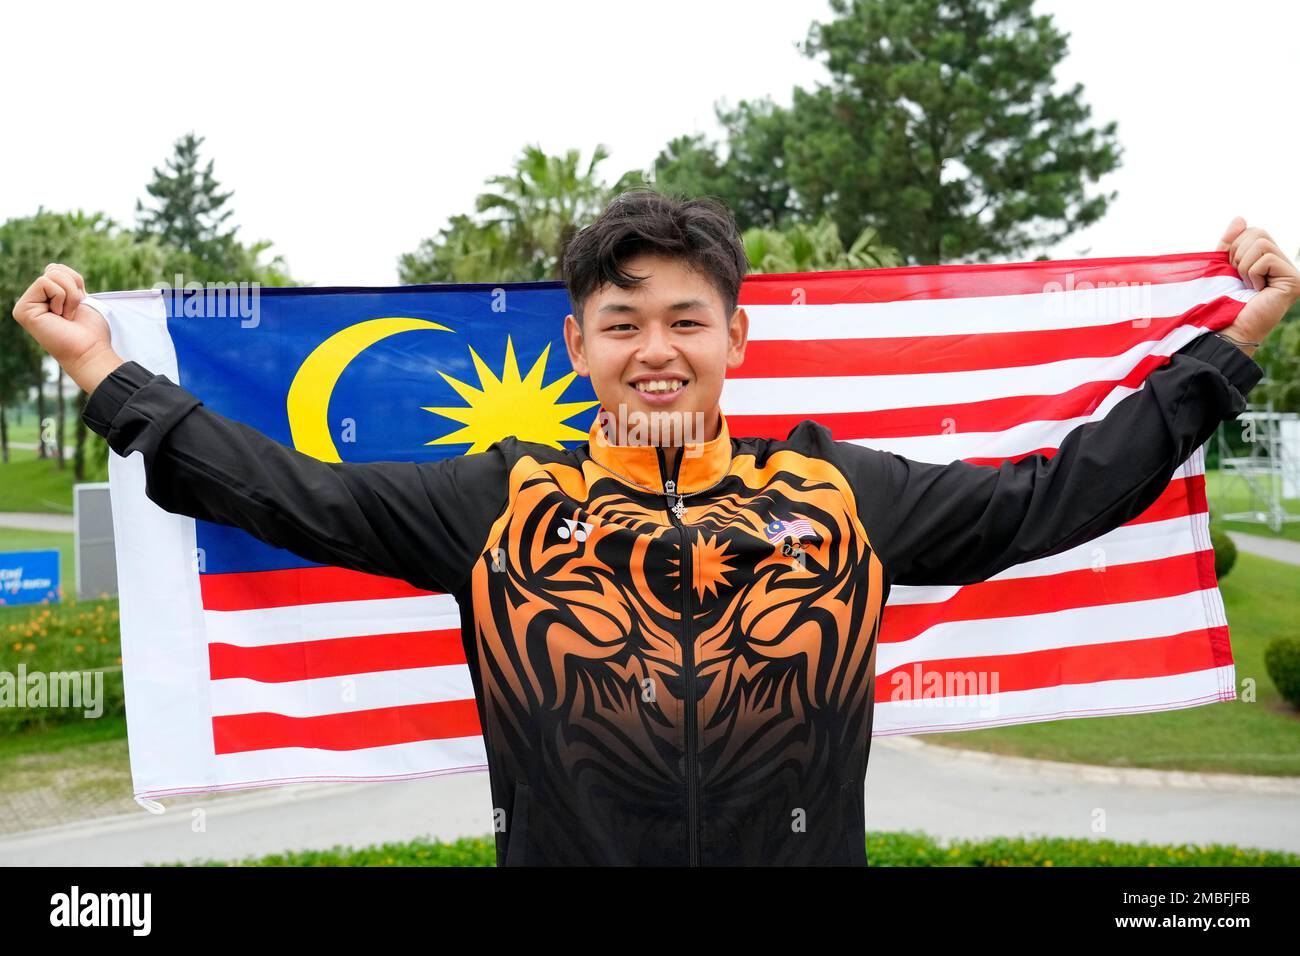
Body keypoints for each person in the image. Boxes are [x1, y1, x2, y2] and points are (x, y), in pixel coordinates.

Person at [10, 190, 1296, 866]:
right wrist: (104, 371)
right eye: (622, 323)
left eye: (686, 318)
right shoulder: (499, 502)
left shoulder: (840, 495)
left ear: (739, 336)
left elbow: (1050, 495)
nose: (656, 348)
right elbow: (283, 487)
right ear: (576, 346)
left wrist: (1230, 349)